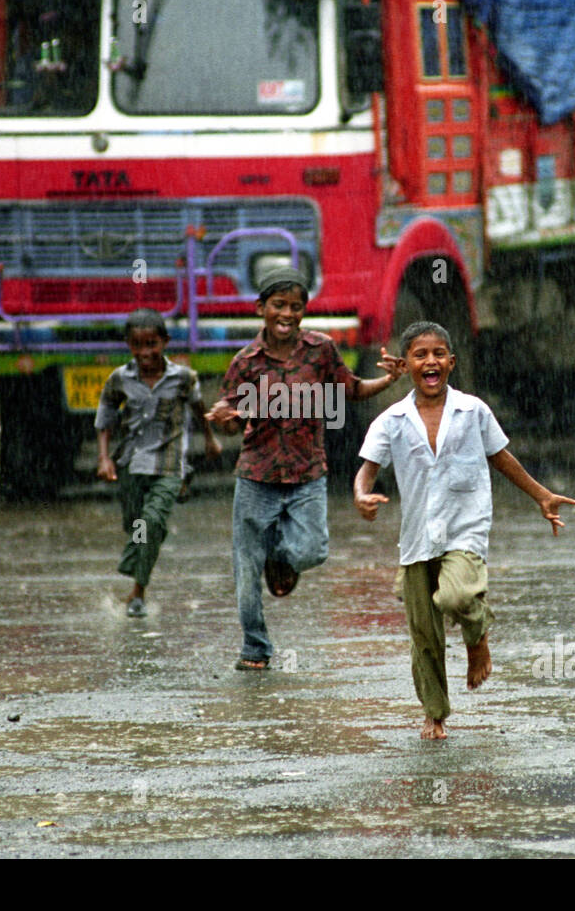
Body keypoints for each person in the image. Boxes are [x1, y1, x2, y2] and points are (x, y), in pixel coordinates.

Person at [354, 321, 575, 739]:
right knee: (423, 635)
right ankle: (434, 715)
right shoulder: (392, 420)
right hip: (418, 536)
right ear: (406, 365)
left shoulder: (473, 410)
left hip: (465, 527)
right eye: (420, 355)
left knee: (457, 594)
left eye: (439, 353)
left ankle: (477, 636)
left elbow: (502, 457)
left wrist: (541, 496)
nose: (431, 361)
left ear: (451, 362)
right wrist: (361, 496)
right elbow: (366, 470)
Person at [206, 268, 405, 671]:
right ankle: (255, 648)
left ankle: (276, 556)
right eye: (279, 305)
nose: (287, 314)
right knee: (245, 574)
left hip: (307, 474)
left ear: (304, 311)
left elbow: (351, 389)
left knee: (312, 551)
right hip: (256, 477)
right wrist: (223, 419)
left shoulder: (321, 351)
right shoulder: (245, 363)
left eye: (296, 307)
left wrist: (388, 379)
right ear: (261, 309)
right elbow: (230, 421)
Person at [95, 308, 222, 617]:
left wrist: (210, 437)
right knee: (137, 525)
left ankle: (137, 593)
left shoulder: (182, 377)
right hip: (131, 462)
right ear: (129, 346)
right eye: (138, 346)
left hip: (169, 464)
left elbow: (197, 407)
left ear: (164, 342)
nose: (145, 352)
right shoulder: (120, 379)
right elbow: (106, 415)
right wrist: (103, 458)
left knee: (149, 522)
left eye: (152, 344)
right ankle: (149, 540)